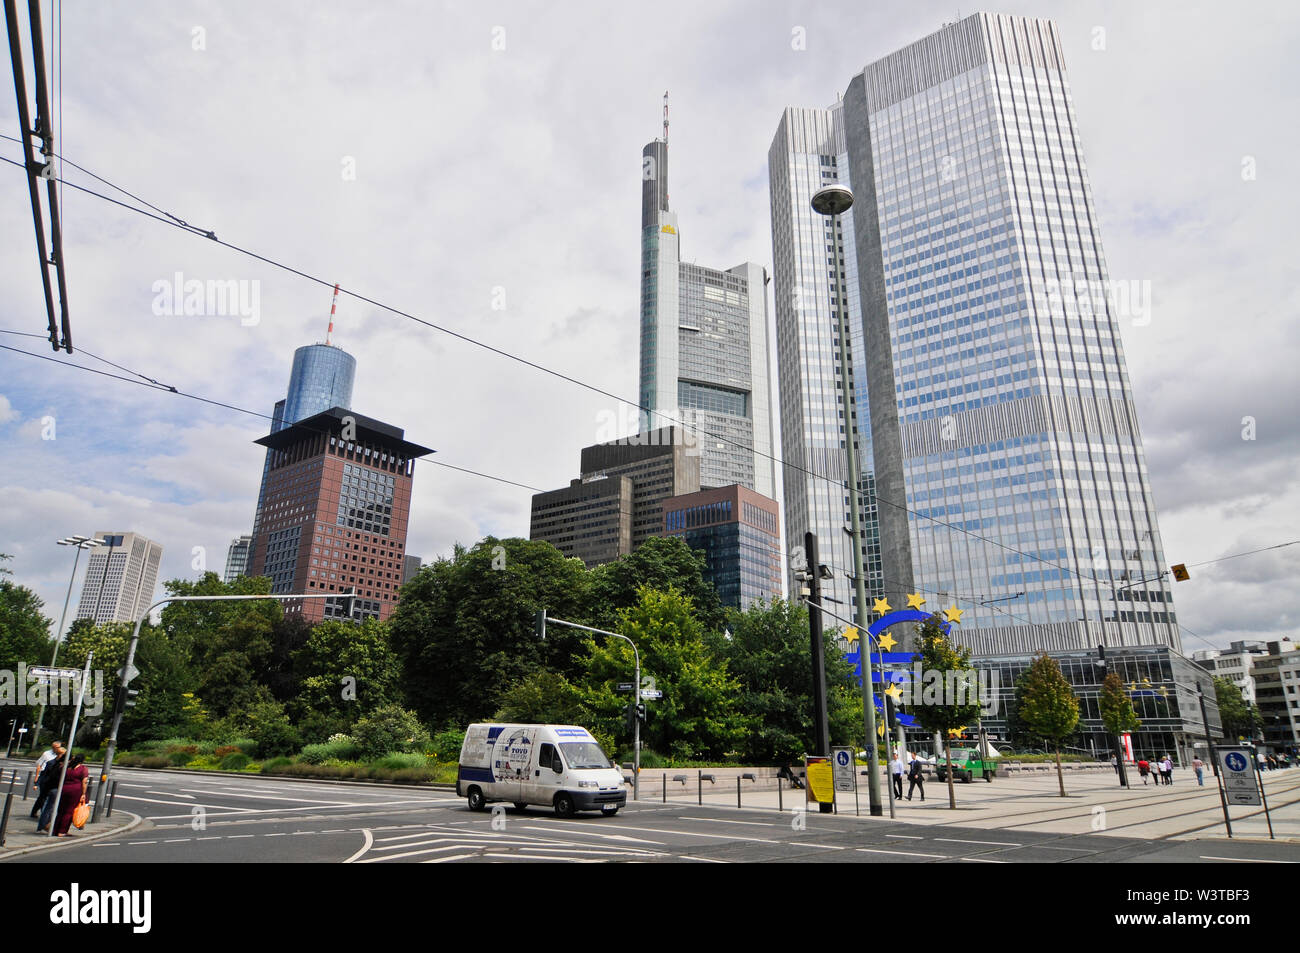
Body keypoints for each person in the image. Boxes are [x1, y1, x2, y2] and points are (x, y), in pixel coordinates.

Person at [52, 753, 88, 837]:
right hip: (75, 791)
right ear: (82, 760)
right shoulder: (83, 769)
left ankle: (55, 830)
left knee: (60, 810)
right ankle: (62, 831)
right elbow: (84, 782)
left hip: (64, 789)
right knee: (69, 811)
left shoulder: (67, 767)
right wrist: (83, 793)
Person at [29, 741, 65, 823]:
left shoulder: (62, 757)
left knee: (43, 797)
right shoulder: (47, 754)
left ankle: (37, 813)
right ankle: (43, 816)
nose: (56, 748)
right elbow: (39, 765)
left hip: (53, 779)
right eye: (55, 747)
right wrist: (36, 779)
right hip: (45, 778)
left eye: (58, 747)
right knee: (43, 797)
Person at [34, 749, 66, 832]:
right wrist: (37, 783)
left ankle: (45, 824)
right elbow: (45, 774)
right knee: (49, 806)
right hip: (52, 786)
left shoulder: (54, 762)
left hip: (50, 786)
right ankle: (45, 825)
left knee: (48, 805)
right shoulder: (55, 763)